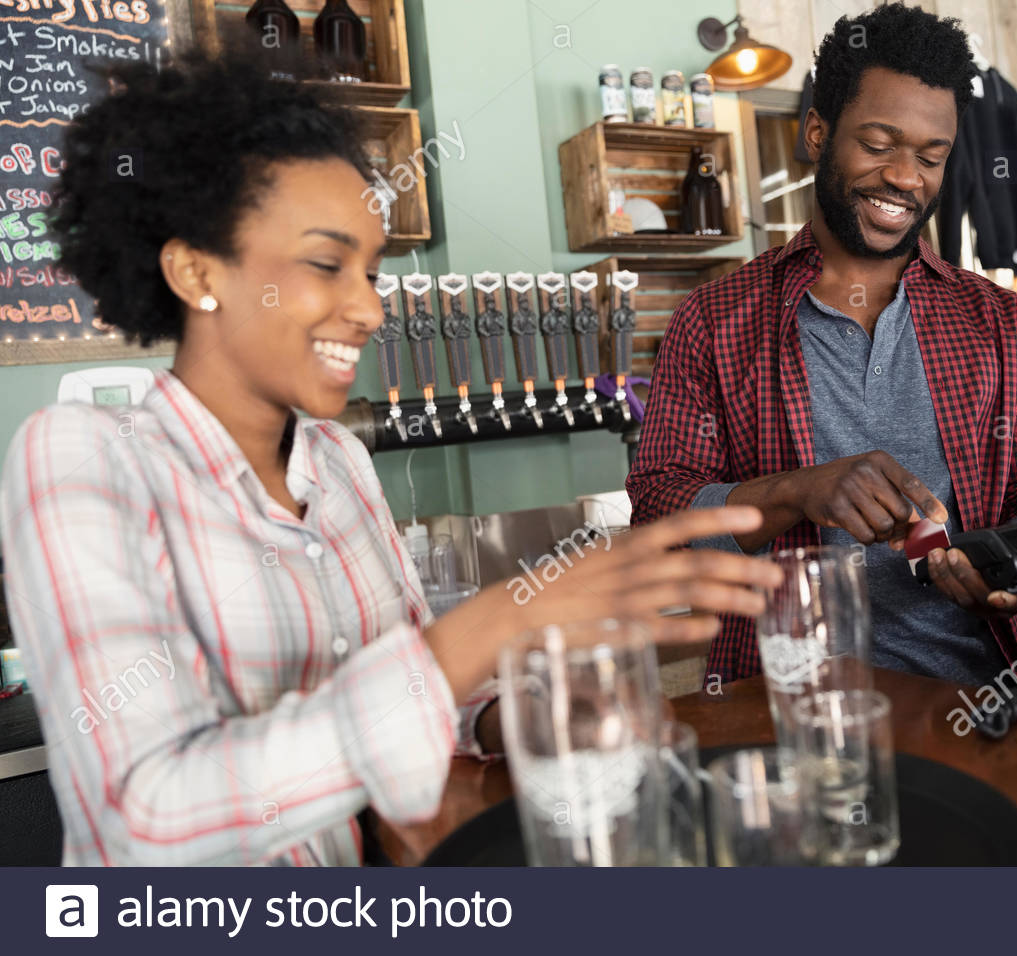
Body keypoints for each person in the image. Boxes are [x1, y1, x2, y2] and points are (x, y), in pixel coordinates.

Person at [0, 53, 780, 866]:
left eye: (371, 271)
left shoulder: (337, 462)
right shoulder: (82, 460)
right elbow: (147, 814)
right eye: (326, 264)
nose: (370, 307)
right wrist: (500, 617)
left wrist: (518, 717)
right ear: (196, 269)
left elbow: (417, 695)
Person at [627, 4, 1017, 686]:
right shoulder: (715, 319)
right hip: (786, 711)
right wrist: (796, 492)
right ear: (818, 131)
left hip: (977, 703)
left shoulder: (1001, 324)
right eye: (879, 145)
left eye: (931, 157)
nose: (908, 178)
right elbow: (656, 522)